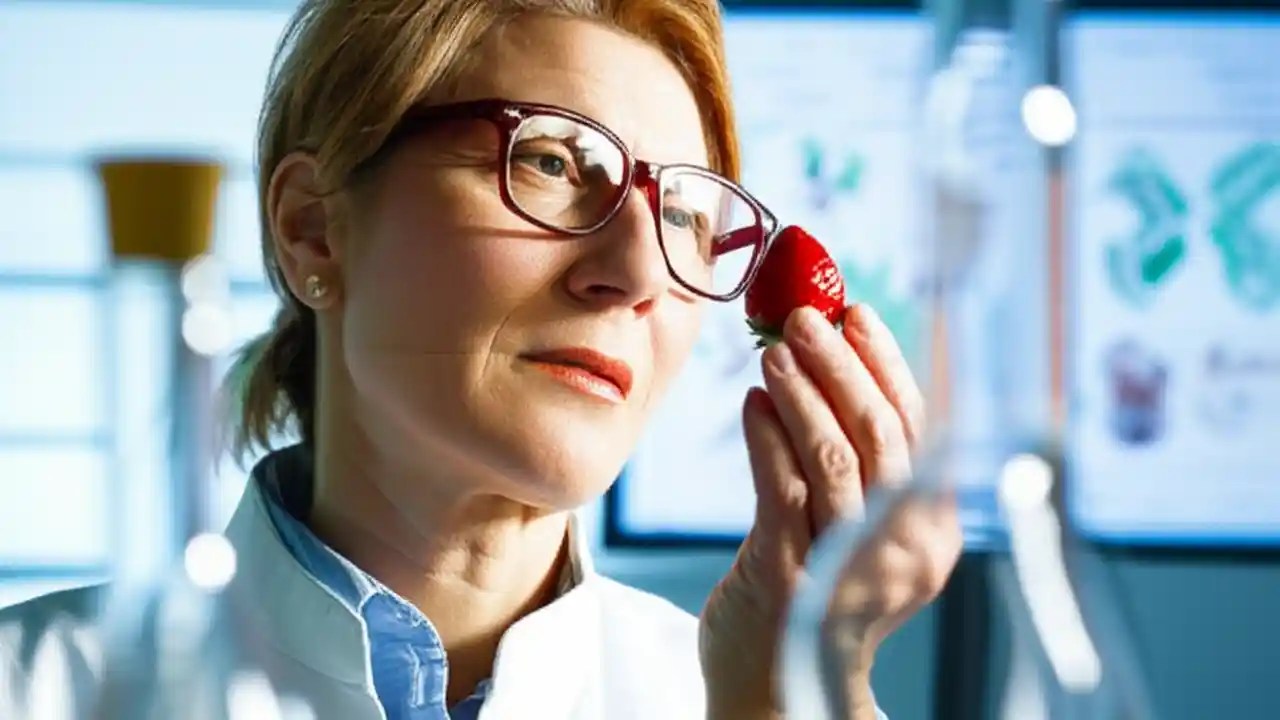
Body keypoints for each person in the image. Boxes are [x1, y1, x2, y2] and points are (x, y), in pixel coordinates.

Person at [0, 1, 961, 718]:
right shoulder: (35, 687)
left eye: (680, 217)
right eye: (548, 161)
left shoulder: (752, 692)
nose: (634, 274)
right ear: (312, 229)